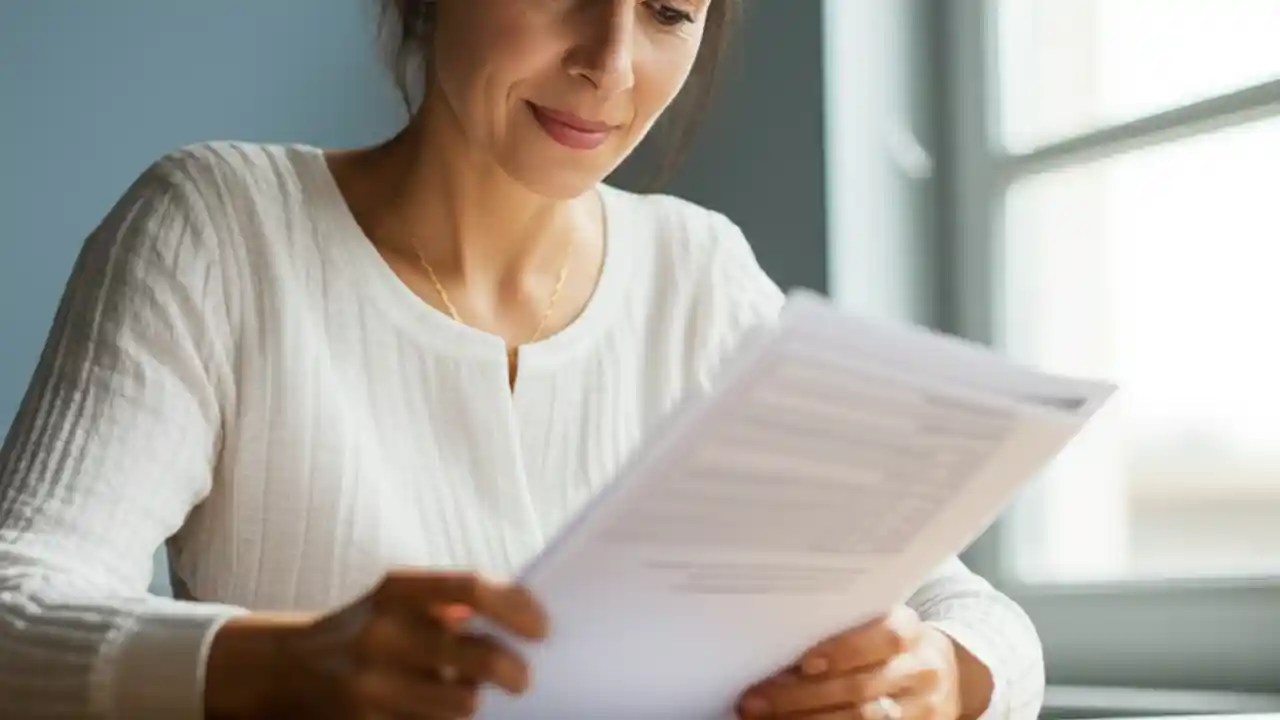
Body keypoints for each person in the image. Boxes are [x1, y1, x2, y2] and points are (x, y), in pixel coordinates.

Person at [0, 1, 1045, 718]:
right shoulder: (221, 230)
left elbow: (972, 612)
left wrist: (935, 679)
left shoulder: (700, 273)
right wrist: (282, 665)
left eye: (669, 13)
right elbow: (15, 607)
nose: (611, 63)